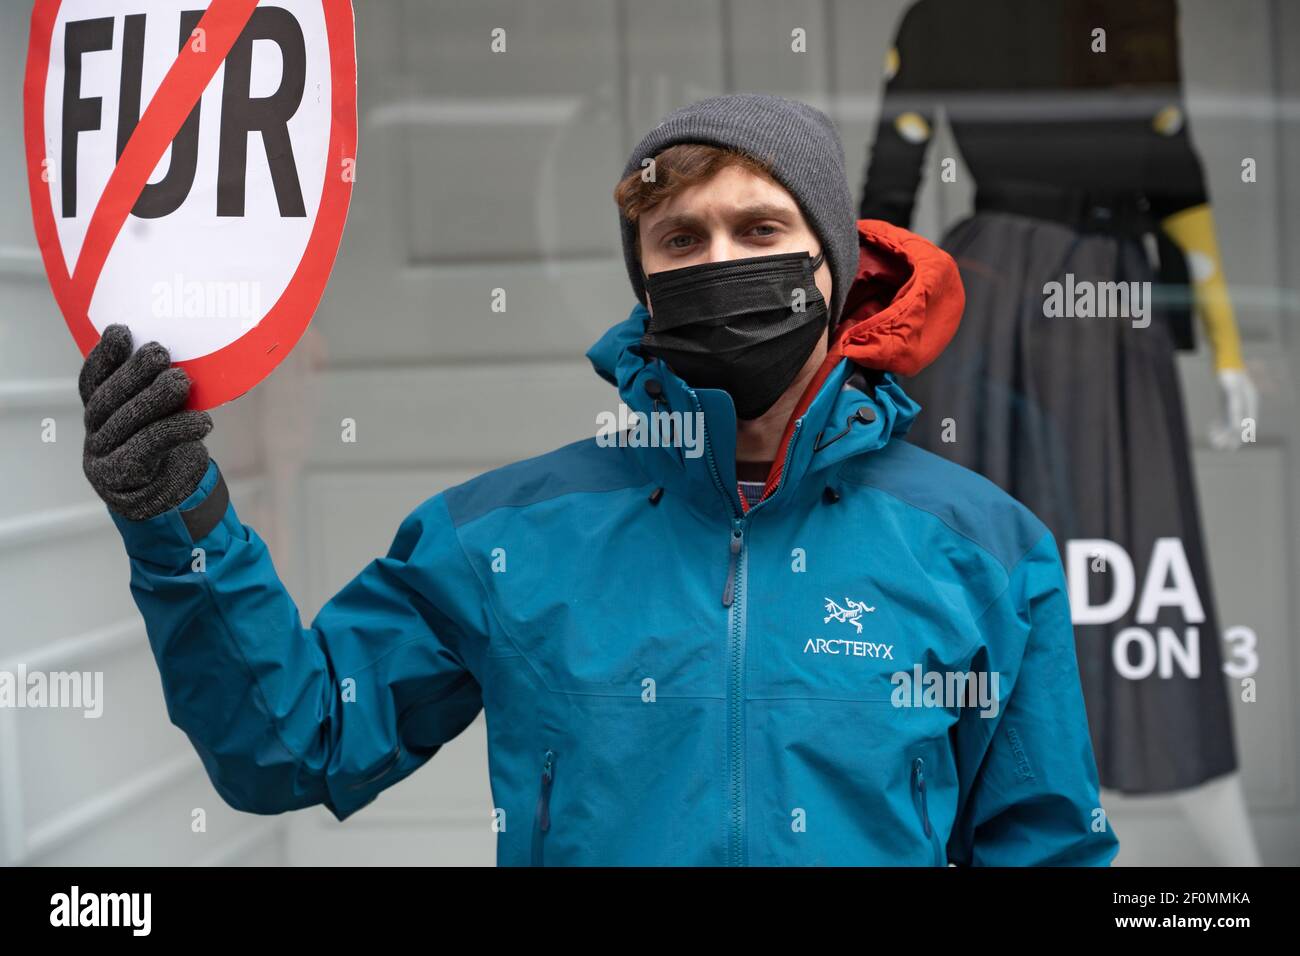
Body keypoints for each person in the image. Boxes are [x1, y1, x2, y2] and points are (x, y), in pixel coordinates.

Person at [78, 93, 1117, 866]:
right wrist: (180, 516)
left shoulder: (984, 547)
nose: (718, 260)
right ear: (646, 280)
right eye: (681, 239)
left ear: (831, 267)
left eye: (759, 230)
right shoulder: (506, 538)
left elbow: (1047, 849)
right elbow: (293, 744)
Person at [858, 0, 1253, 818]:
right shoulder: (950, 14)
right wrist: (862, 357)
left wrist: (1226, 348)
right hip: (1053, 301)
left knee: (1109, 565)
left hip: (1036, 298)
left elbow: (891, 188)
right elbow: (890, 191)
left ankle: (1168, 811)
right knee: (1049, 568)